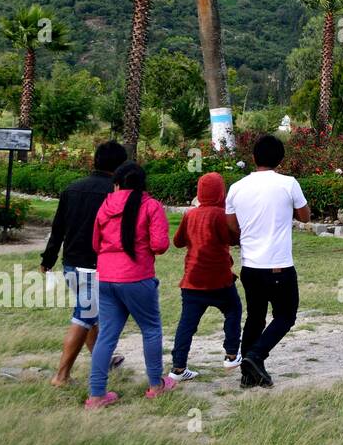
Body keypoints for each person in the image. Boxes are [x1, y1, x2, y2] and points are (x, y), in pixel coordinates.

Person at [85, 162, 175, 409]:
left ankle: (96, 395)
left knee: (106, 337)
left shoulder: (106, 205)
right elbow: (160, 245)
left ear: (117, 184)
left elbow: (95, 243)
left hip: (106, 278)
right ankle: (156, 385)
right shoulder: (151, 206)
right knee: (151, 329)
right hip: (137, 278)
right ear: (143, 184)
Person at [39, 141, 129, 387]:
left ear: (95, 161)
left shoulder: (72, 189)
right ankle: (61, 376)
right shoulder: (116, 194)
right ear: (121, 166)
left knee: (90, 314)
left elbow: (57, 230)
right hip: (98, 266)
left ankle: (105, 361)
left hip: (71, 265)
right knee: (84, 317)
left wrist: (47, 260)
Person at [226, 135, 309, 389]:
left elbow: (231, 224)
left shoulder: (237, 187)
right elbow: (305, 216)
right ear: (281, 160)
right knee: (285, 315)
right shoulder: (288, 183)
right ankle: (255, 355)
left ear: (254, 158)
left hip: (250, 265)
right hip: (279, 264)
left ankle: (248, 375)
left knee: (255, 317)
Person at [168, 172, 243, 381]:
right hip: (219, 279)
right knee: (233, 310)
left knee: (187, 324)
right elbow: (235, 238)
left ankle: (178, 368)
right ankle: (231, 354)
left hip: (192, 280)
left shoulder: (190, 215)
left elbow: (178, 241)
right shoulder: (221, 214)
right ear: (221, 192)